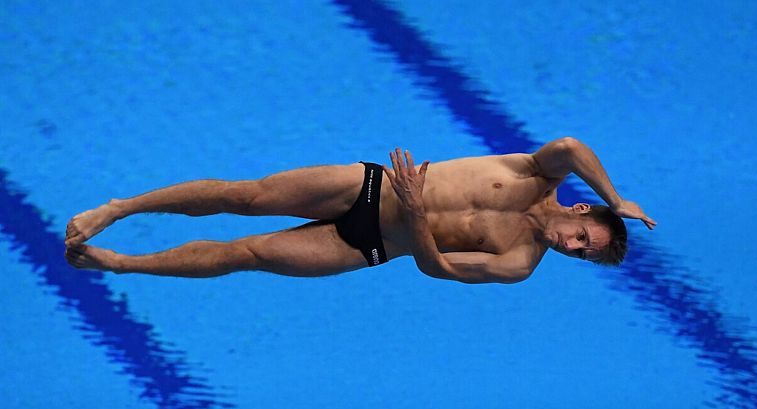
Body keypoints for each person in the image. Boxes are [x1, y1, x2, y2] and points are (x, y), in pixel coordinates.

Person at [64, 137, 656, 284]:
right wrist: (617, 199)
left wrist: (420, 221)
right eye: (583, 235)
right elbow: (574, 146)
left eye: (581, 255)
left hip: (373, 246)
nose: (570, 247)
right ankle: (117, 209)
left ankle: (119, 264)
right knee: (243, 197)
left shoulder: (518, 261)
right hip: (369, 190)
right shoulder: (537, 172)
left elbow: (438, 269)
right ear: (581, 210)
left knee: (245, 255)